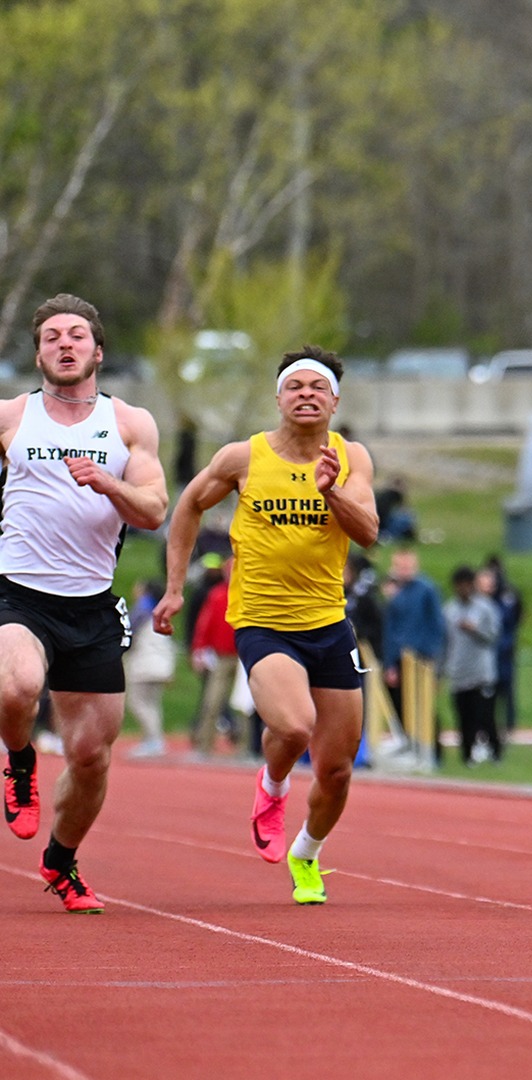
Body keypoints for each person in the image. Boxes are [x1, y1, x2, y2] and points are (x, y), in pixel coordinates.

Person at [156, 345, 380, 905]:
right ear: (279, 398)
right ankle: (273, 785)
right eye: (295, 386)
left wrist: (329, 492)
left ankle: (307, 852)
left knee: (337, 771)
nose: (306, 394)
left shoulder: (351, 457)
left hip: (329, 623)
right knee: (296, 727)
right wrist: (176, 587)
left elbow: (369, 532)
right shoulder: (243, 458)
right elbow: (187, 506)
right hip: (263, 622)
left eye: (317, 387)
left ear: (334, 400)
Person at [0, 294, 169, 913]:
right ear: (39, 352)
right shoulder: (11, 417)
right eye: (50, 337)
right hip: (17, 593)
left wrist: (108, 482)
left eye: (75, 335)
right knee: (18, 685)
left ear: (97, 351)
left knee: (92, 757)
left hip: (92, 605)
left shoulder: (129, 424)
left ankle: (61, 861)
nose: (63, 344)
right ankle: (19, 761)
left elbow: (153, 510)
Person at [442, 565, 502, 765]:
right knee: (463, 717)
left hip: (481, 672)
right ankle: (467, 755)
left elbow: (494, 636)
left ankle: (495, 751)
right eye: (460, 586)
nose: (464, 589)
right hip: (459, 672)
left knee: (485, 715)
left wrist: (475, 630)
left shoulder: (485, 608)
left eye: (468, 585)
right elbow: (446, 642)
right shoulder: (449, 610)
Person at [382, 549, 444, 738]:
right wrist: (389, 663)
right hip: (399, 657)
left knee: (422, 705)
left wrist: (433, 659)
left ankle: (430, 746)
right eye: (400, 566)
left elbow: (437, 625)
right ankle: (406, 740)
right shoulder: (394, 592)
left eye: (407, 566)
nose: (403, 570)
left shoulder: (427, 590)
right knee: (399, 703)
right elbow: (390, 628)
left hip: (421, 657)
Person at [189, 557, 243, 756]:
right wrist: (199, 648)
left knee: (245, 705)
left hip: (243, 656)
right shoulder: (217, 594)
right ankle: (204, 745)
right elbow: (205, 624)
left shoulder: (249, 594)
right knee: (212, 702)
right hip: (222, 656)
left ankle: (245, 748)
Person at [124, 581, 176, 759]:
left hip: (145, 664)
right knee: (152, 704)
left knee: (138, 702)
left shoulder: (142, 610)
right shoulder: (160, 612)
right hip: (162, 663)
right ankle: (154, 739)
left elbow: (128, 632)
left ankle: (153, 740)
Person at [481, 555, 524, 734]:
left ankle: (509, 724)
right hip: (487, 650)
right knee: (487, 691)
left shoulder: (509, 594)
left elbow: (517, 616)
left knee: (507, 689)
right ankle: (487, 725)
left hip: (505, 648)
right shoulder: (482, 599)